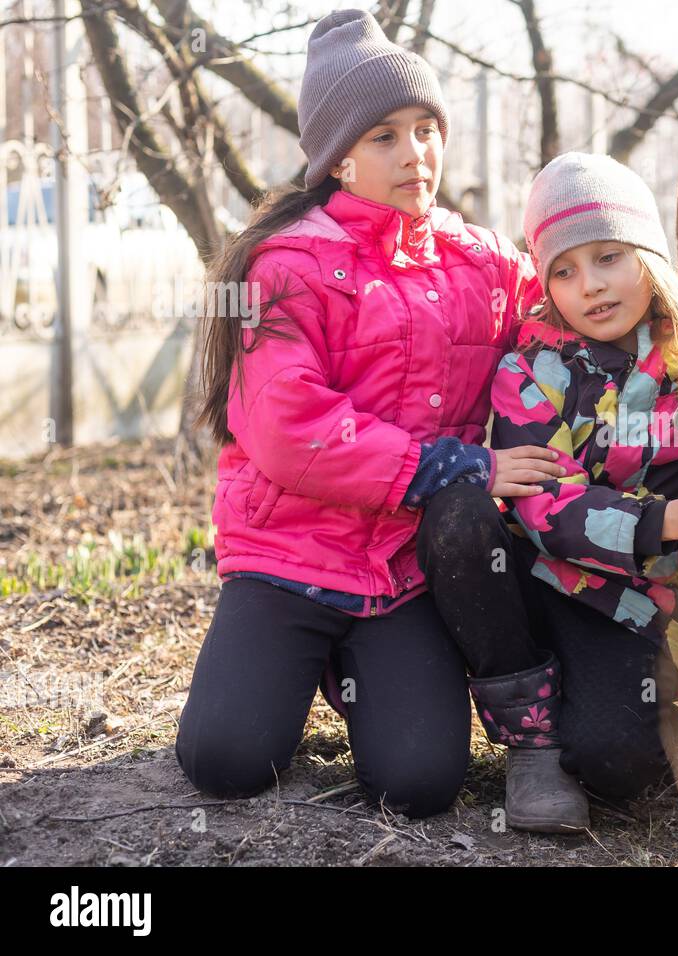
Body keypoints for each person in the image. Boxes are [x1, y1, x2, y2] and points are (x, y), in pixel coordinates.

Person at [174, 9, 563, 818]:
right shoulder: (287, 267)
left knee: (418, 784)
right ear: (338, 158)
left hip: (401, 570)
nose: (415, 153)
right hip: (289, 553)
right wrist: (452, 467)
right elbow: (288, 430)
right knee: (226, 759)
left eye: (426, 129)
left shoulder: (481, 263)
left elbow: (569, 311)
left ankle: (363, 675)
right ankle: (285, 663)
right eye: (385, 136)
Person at [416, 152, 678, 831]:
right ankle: (532, 735)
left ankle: (623, 701)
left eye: (609, 257)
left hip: (633, 608)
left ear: (648, 253)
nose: (590, 285)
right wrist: (675, 517)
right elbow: (549, 512)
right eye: (564, 270)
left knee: (617, 766)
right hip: (535, 586)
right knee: (459, 514)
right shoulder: (529, 370)